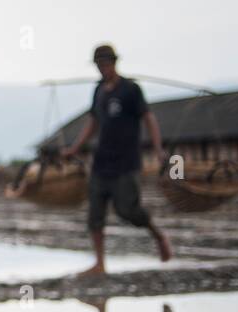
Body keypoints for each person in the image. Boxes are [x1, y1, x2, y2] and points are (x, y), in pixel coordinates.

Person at [62, 44, 172, 276]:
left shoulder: (131, 90)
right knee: (95, 214)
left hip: (126, 163)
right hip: (102, 161)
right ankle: (100, 263)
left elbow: (148, 117)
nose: (103, 69)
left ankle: (159, 235)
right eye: (99, 65)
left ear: (114, 63)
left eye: (106, 64)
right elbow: (92, 122)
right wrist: (75, 148)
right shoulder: (99, 91)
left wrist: (158, 147)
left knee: (128, 210)